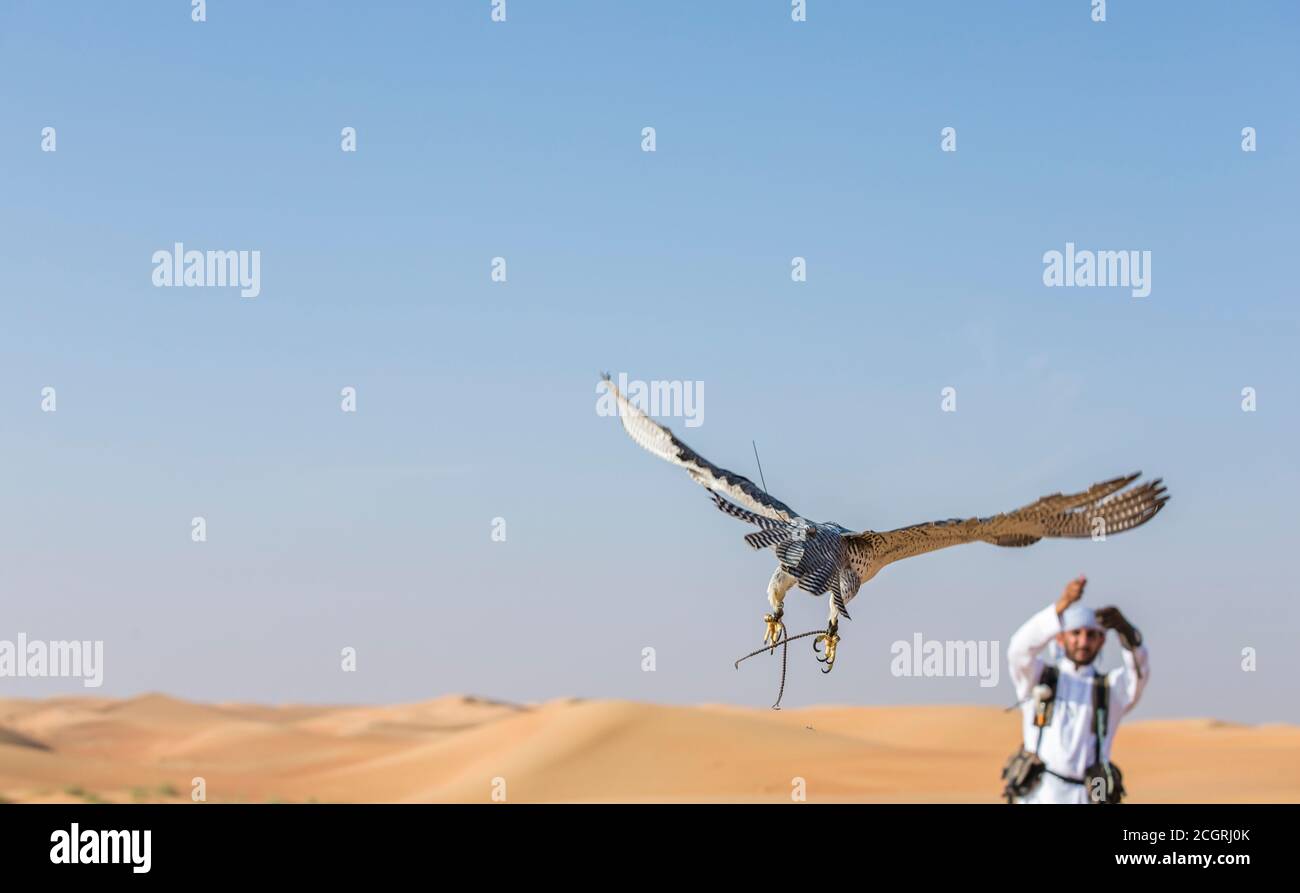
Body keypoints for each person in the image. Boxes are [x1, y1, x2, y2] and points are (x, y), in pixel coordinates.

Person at [1004, 575, 1149, 803]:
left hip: (1087, 796)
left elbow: (1139, 674)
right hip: (1038, 796)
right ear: (1060, 638)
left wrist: (1126, 631)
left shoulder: (1111, 690)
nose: (1083, 642)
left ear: (1101, 641)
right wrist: (1062, 604)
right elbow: (1018, 650)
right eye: (1076, 633)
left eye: (1092, 635)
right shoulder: (1038, 677)